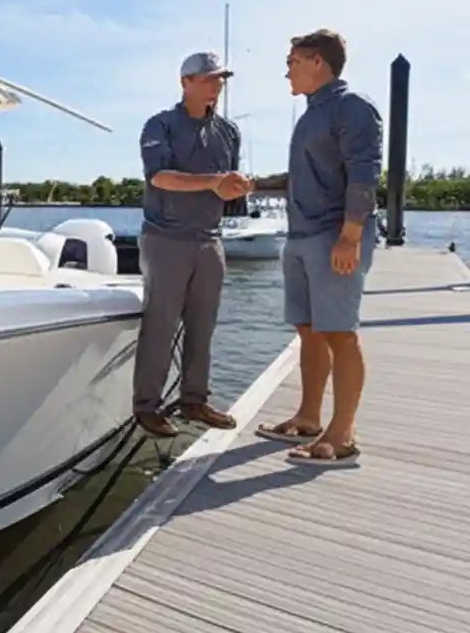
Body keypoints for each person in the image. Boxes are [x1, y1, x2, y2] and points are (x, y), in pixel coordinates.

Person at [253, 29, 382, 465]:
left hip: (333, 235)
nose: (286, 70)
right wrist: (253, 185)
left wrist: (350, 236)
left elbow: (364, 175)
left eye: (292, 61)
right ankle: (309, 417)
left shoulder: (352, 107)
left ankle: (342, 435)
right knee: (308, 329)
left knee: (339, 333)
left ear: (317, 63)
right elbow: (306, 179)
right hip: (302, 235)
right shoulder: (311, 114)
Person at [132, 51, 253, 438]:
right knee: (161, 325)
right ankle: (146, 407)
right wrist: (215, 180)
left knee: (204, 326)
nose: (216, 85)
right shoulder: (160, 125)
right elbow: (160, 178)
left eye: (220, 79)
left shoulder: (230, 132)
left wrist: (237, 186)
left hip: (209, 240)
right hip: (166, 239)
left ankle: (195, 401)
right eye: (209, 78)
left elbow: (226, 187)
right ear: (185, 82)